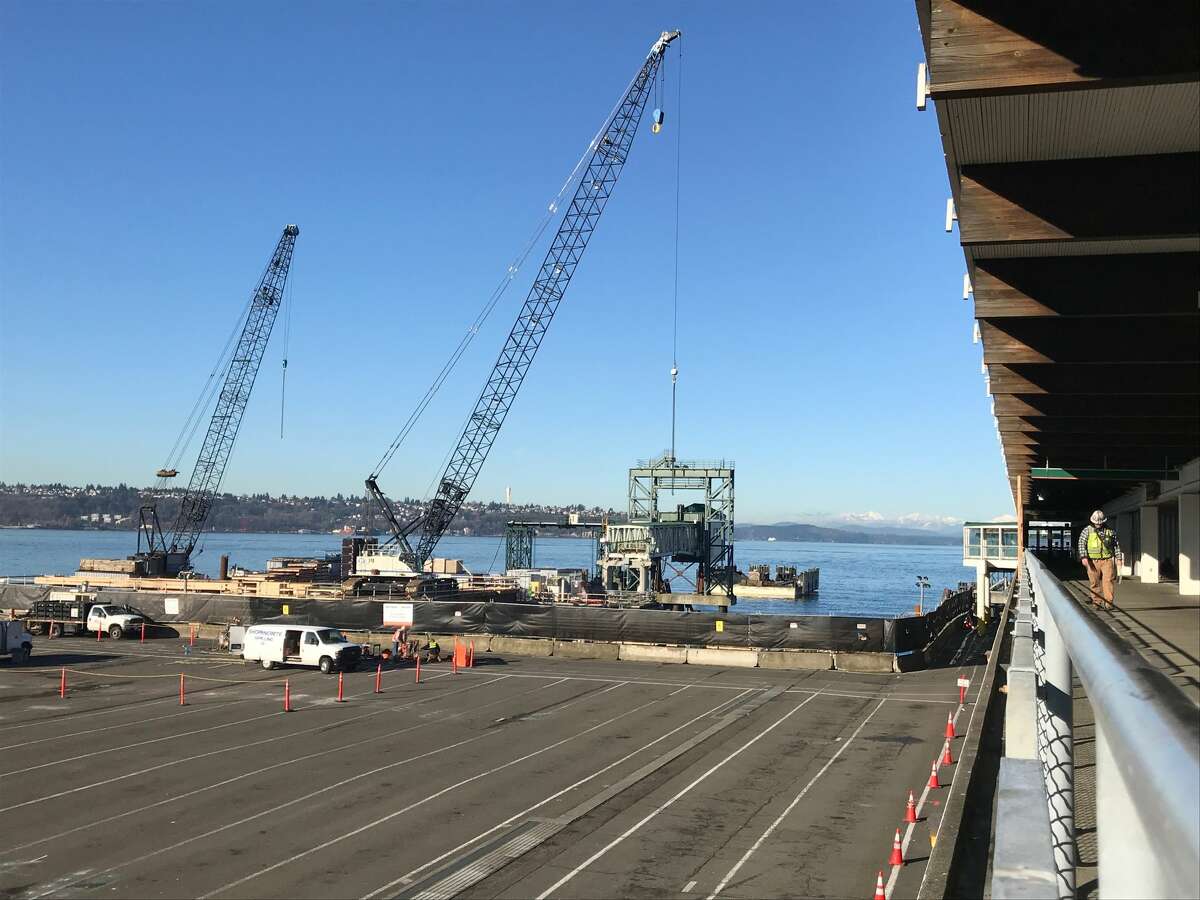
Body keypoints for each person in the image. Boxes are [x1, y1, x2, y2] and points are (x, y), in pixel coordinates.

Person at [1078, 510, 1121, 609]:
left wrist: (1119, 558)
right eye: (1096, 523)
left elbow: (1116, 545)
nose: (1098, 524)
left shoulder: (1110, 531)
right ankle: (1097, 602)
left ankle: (1109, 603)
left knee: (1108, 581)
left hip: (1107, 560)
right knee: (1094, 582)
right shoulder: (1087, 530)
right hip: (1092, 561)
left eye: (1100, 523)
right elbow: (1081, 543)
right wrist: (1084, 557)